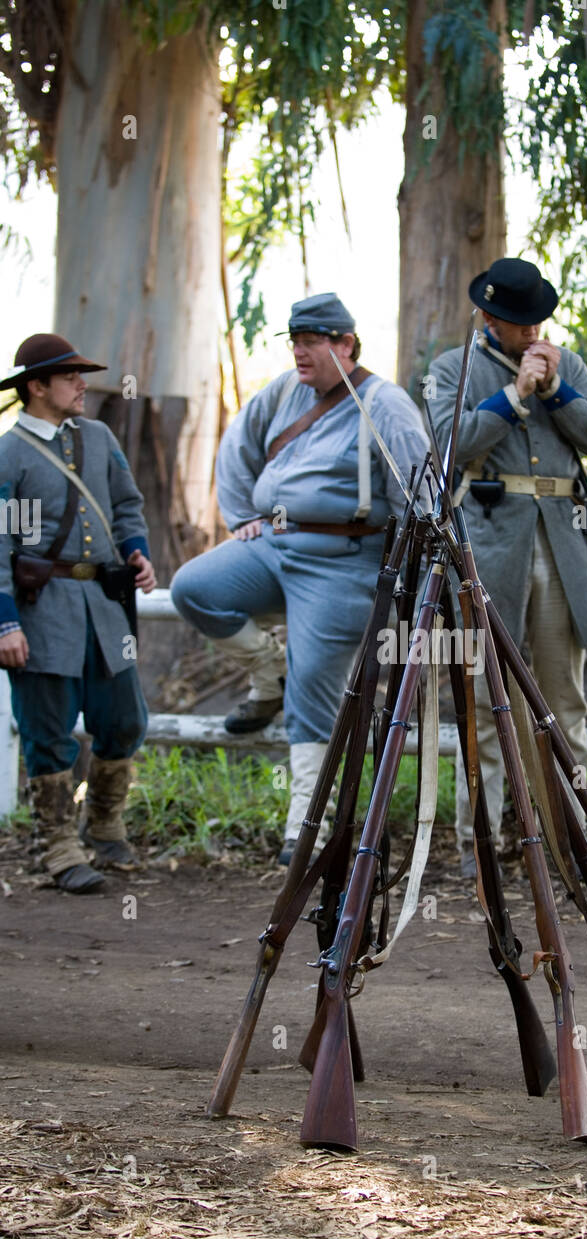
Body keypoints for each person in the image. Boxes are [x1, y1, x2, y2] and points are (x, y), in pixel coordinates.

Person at [170, 292, 430, 863]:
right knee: (194, 590)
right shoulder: (285, 392)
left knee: (313, 678)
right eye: (294, 342)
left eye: (312, 342)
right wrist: (242, 517)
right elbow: (236, 446)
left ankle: (303, 828)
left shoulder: (385, 405)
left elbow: (418, 497)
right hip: (272, 545)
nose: (299, 353)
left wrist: (402, 576)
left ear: (346, 344)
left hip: (343, 560)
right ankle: (268, 674)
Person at [428, 257, 587, 875]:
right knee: (485, 701)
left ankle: (572, 843)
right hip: (488, 549)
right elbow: (449, 446)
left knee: (563, 698)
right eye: (519, 322)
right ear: (488, 318)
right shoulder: (451, 368)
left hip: (563, 547)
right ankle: (478, 843)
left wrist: (556, 389)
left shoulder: (570, 365)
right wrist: (513, 397)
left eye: (538, 318)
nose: (533, 330)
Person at [0, 333, 155, 893]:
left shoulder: (97, 436)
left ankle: (105, 826)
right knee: (49, 730)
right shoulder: (10, 454)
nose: (82, 385)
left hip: (104, 605)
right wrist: (5, 622)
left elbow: (125, 504)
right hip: (43, 609)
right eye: (69, 378)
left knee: (126, 719)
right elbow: (0, 547)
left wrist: (136, 550)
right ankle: (59, 846)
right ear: (37, 387)